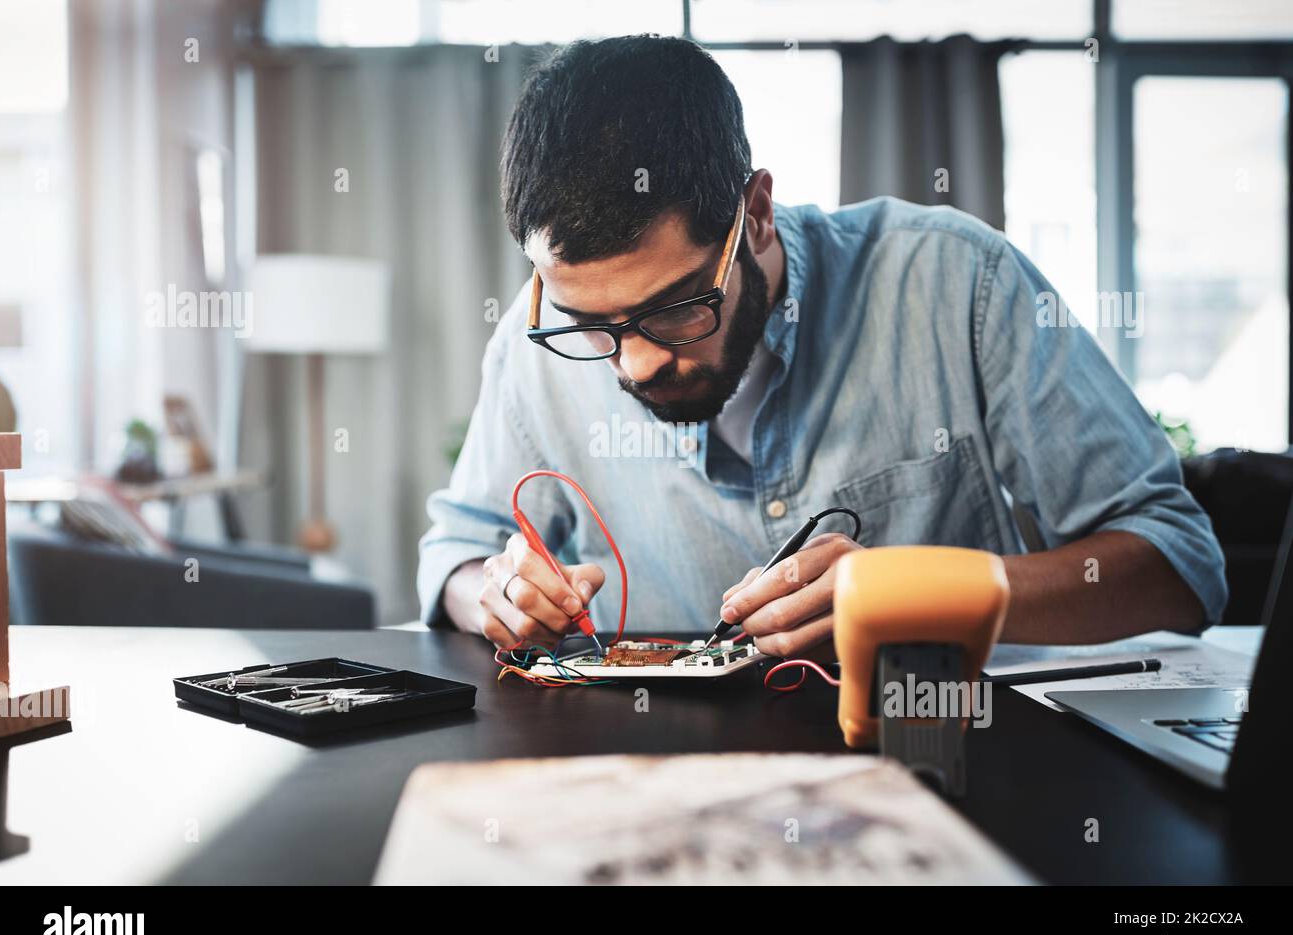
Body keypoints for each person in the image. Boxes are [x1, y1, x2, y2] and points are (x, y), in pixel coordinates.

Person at [418, 35, 1225, 658]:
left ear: (756, 212)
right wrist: (490, 593)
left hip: (947, 769)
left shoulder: (960, 284)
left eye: (674, 309)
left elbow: (1180, 566)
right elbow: (455, 553)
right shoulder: (533, 347)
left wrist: (922, 593)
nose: (634, 364)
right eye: (592, 324)